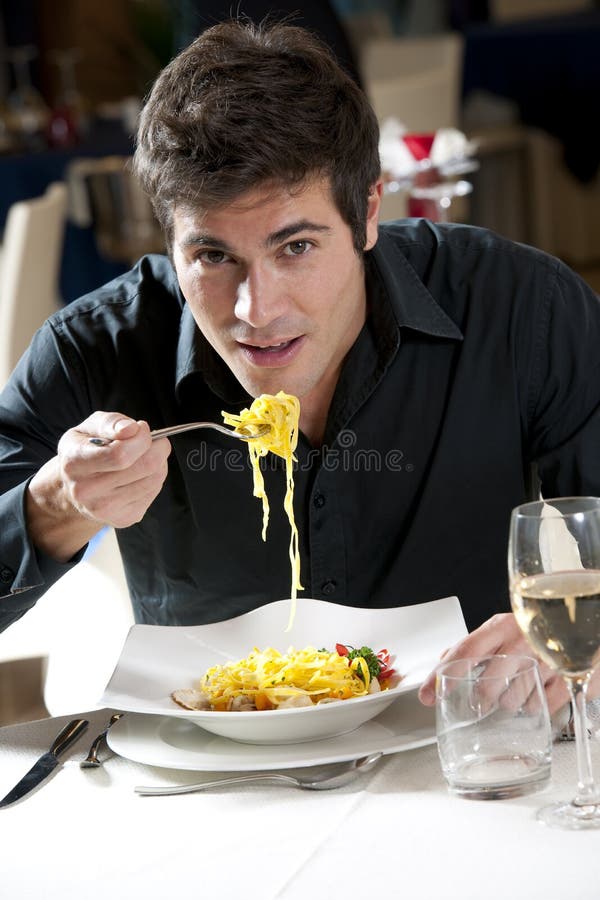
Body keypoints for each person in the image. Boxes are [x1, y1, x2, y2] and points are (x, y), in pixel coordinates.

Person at [0, 20, 599, 718]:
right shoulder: (96, 346)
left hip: (475, 747)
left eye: (297, 248)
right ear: (169, 240)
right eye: (213, 256)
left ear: (368, 211)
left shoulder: (520, 308)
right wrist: (52, 510)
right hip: (216, 789)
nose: (257, 310)